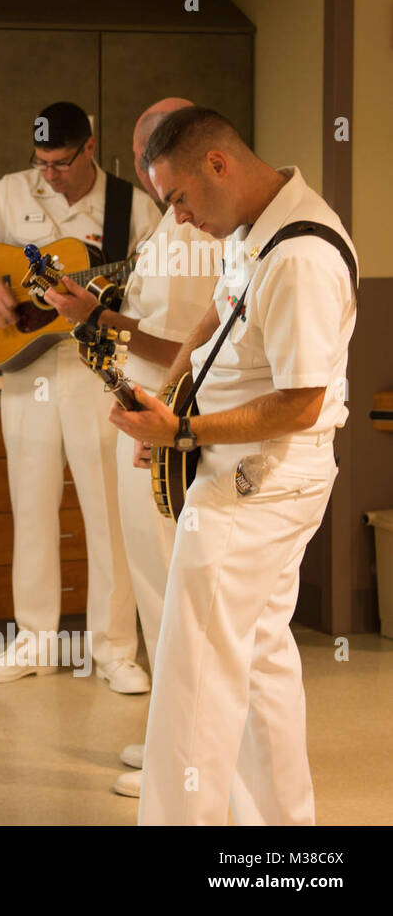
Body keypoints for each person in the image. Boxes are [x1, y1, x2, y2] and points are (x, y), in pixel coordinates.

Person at [111, 106, 357, 824]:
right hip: (247, 473)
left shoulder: (303, 255)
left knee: (195, 679)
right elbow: (215, 318)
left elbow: (301, 401)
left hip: (259, 485)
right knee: (257, 663)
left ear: (218, 164)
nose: (180, 219)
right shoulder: (256, 227)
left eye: (180, 198)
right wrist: (166, 402)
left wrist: (181, 428)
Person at [0, 102, 161, 691]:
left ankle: (113, 649)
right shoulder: (11, 192)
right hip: (25, 370)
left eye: (59, 163)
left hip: (97, 370)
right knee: (29, 506)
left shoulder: (130, 208)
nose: (48, 175)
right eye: (40, 162)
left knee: (106, 511)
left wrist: (105, 306)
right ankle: (34, 640)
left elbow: (159, 280)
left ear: (89, 148)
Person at [42, 98, 221, 796]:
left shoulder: (196, 233)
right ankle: (168, 737)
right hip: (147, 417)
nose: (149, 176)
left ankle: (187, 753)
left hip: (168, 424)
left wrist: (100, 319)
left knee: (174, 590)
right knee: (157, 590)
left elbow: (183, 343)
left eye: (153, 158)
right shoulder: (169, 228)